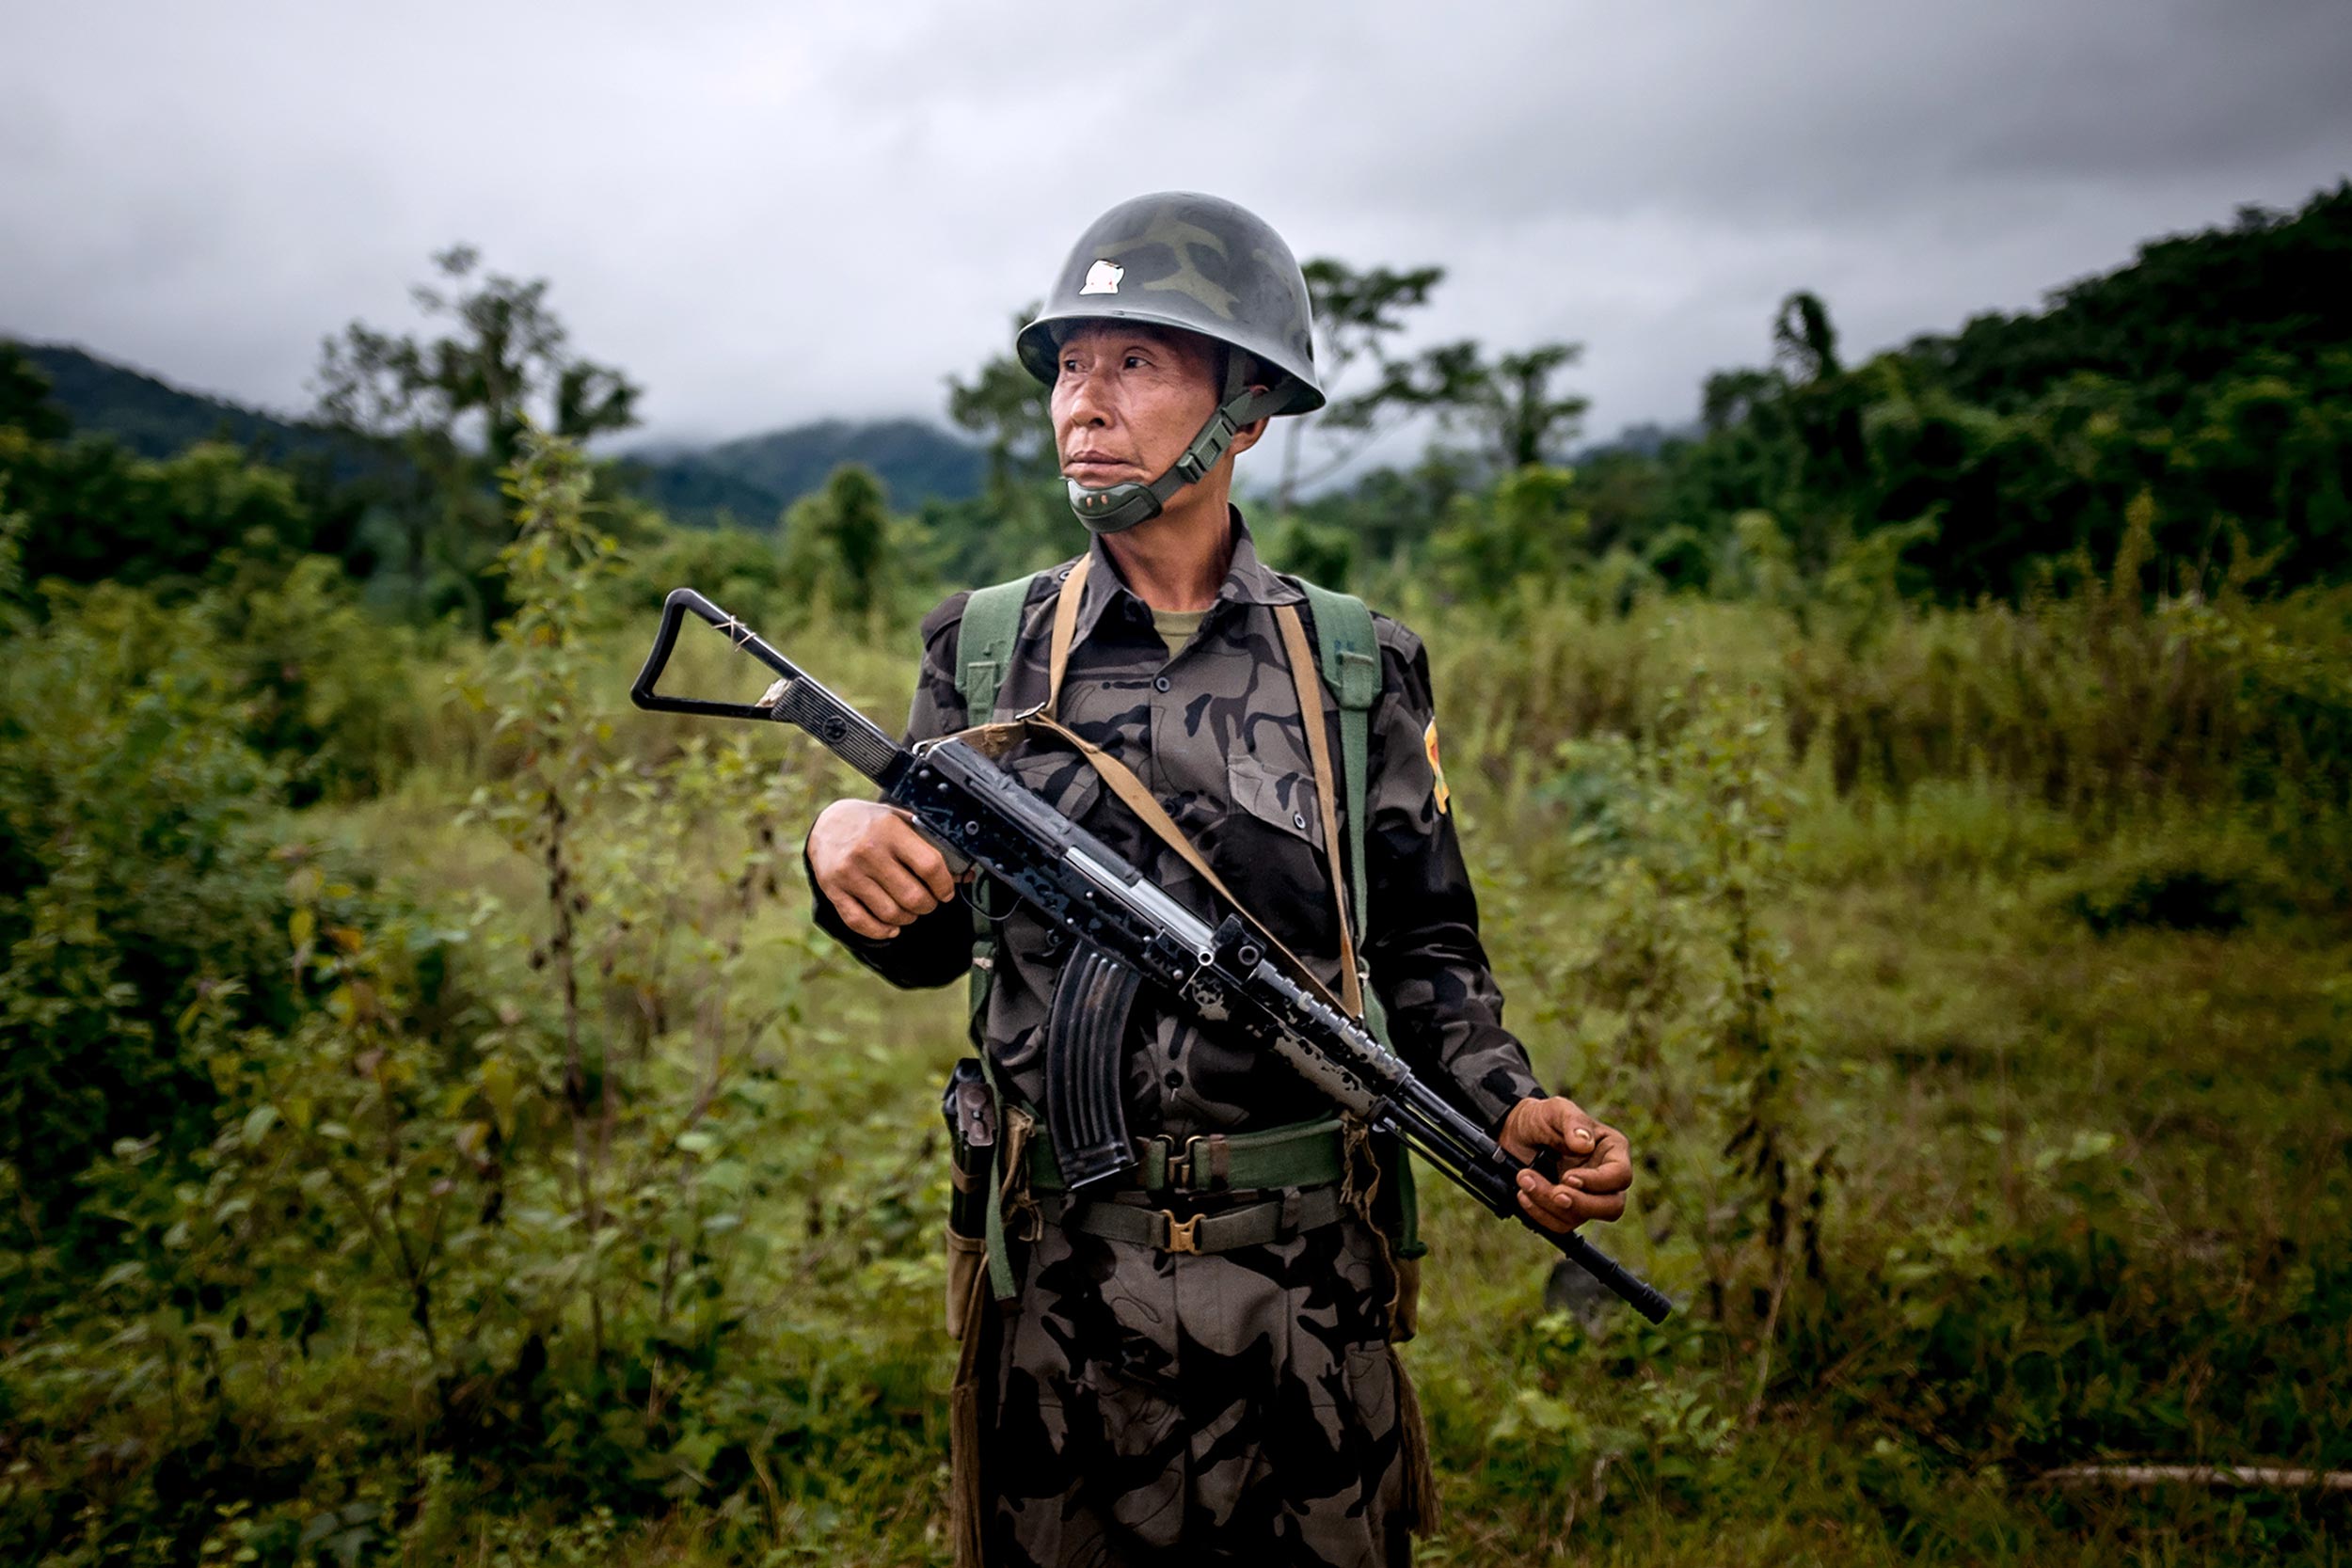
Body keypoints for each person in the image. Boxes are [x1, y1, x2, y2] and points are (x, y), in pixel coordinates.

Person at [804, 192, 1633, 1567]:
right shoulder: (987, 646)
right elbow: (929, 944)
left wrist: (1510, 1101)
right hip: (1058, 1281)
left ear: (1243, 408)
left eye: (1137, 362)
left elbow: (1425, 946)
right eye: (1072, 362)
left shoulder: (1359, 664)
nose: (1086, 396)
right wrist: (843, 850)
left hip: (1304, 1284)